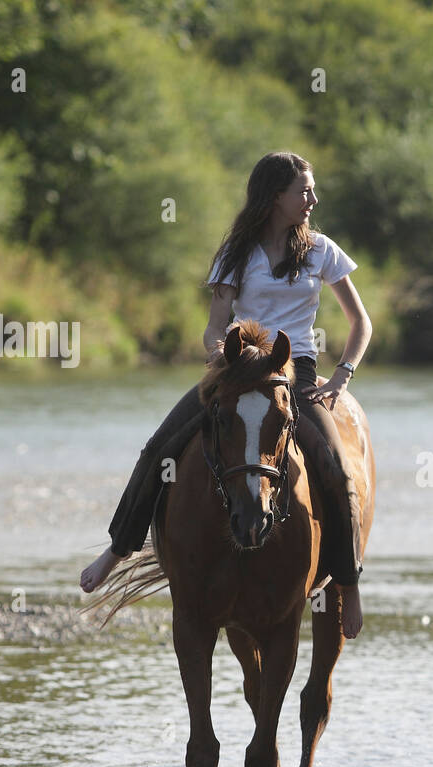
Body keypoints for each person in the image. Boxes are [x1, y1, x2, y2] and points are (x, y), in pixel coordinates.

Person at [80, 152, 373, 636]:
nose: (312, 200)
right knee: (160, 447)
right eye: (303, 191)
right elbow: (215, 326)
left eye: (311, 190)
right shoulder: (237, 252)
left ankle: (349, 584)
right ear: (275, 196)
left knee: (337, 470)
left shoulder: (321, 250)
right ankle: (118, 548)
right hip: (237, 368)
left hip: (294, 371)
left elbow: (360, 323)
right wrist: (222, 355)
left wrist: (341, 376)